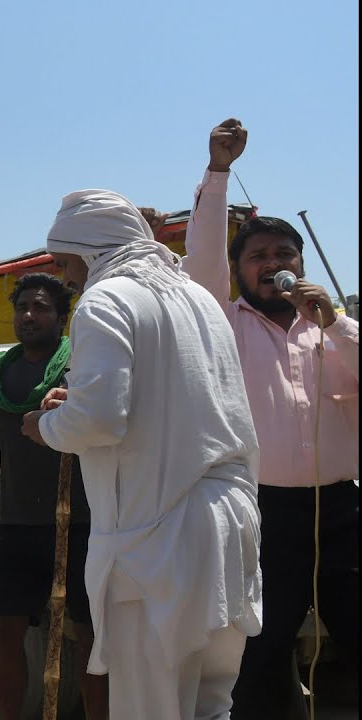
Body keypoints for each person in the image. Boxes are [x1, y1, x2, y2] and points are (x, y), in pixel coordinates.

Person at [20, 189, 262, 720]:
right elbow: (168, 401)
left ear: (89, 250)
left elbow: (102, 419)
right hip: (230, 526)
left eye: (64, 261)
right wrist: (76, 401)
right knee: (211, 706)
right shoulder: (199, 299)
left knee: (151, 707)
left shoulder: (106, 299)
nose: (64, 275)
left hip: (160, 538)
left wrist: (47, 425)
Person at [182, 119, 358, 720]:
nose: (272, 264)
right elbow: (203, 257)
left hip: (342, 510)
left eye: (284, 254)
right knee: (261, 650)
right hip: (262, 513)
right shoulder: (222, 323)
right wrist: (218, 172)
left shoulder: (332, 328)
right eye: (257, 256)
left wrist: (335, 322)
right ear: (238, 271)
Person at [0, 273, 108, 720]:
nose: (29, 315)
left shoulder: (81, 367)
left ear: (62, 318)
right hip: (17, 525)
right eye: (22, 307)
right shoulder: (0, 372)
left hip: (81, 524)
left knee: (91, 637)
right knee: (3, 629)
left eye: (41, 307)